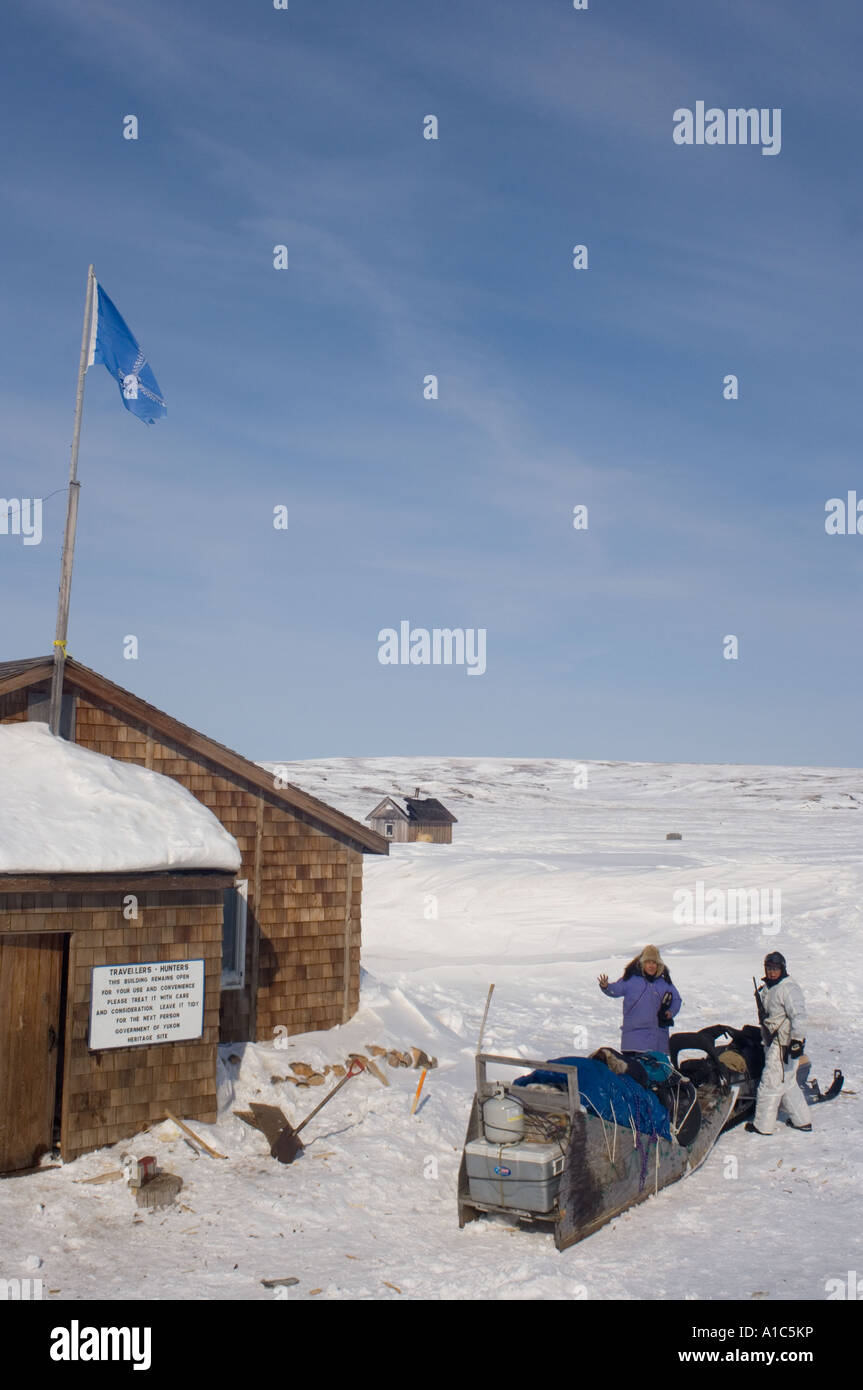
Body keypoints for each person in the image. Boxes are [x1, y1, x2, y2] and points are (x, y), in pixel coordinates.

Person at [745, 951, 812, 1135]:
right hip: (774, 1043)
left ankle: (762, 1126)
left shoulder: (788, 989)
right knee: (787, 1084)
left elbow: (799, 1016)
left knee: (770, 1084)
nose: (772, 972)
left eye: (775, 968)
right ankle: (803, 1120)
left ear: (782, 968)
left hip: (783, 1045)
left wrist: (797, 1040)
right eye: (769, 968)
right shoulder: (770, 987)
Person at [598, 945, 682, 1055]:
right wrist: (606, 987)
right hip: (634, 1041)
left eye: (654, 963)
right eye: (648, 962)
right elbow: (616, 990)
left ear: (659, 965)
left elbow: (677, 1000)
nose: (651, 966)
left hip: (658, 1041)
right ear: (643, 964)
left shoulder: (665, 983)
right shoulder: (631, 980)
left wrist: (670, 1012)